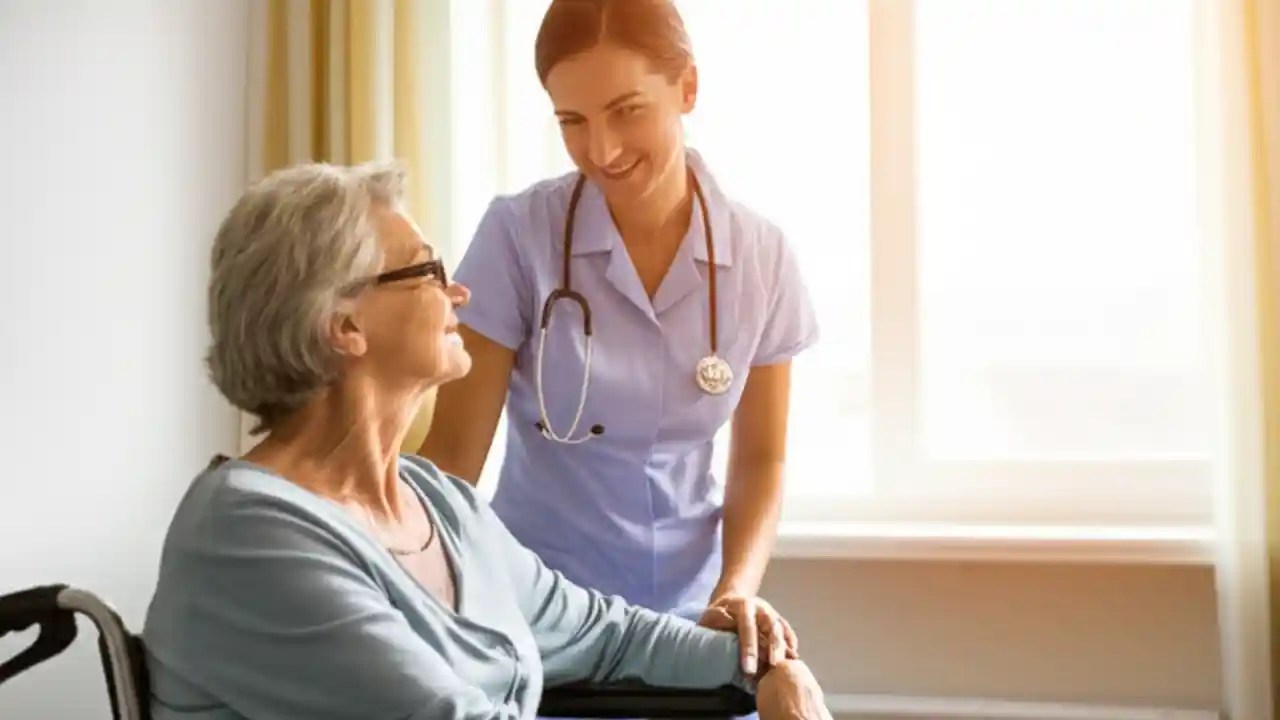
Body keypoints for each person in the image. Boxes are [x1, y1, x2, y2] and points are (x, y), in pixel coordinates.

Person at [140, 161, 830, 720]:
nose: (461, 293)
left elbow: (608, 636)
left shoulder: (439, 505)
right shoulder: (249, 534)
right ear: (343, 326)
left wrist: (768, 666)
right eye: (425, 272)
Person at [418, 0, 819, 669]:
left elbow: (760, 461)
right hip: (541, 619)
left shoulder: (761, 255)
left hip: (695, 616)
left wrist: (734, 593)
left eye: (626, 110)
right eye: (572, 122)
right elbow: (454, 453)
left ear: (687, 88)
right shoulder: (520, 237)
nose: (600, 150)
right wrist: (365, 553)